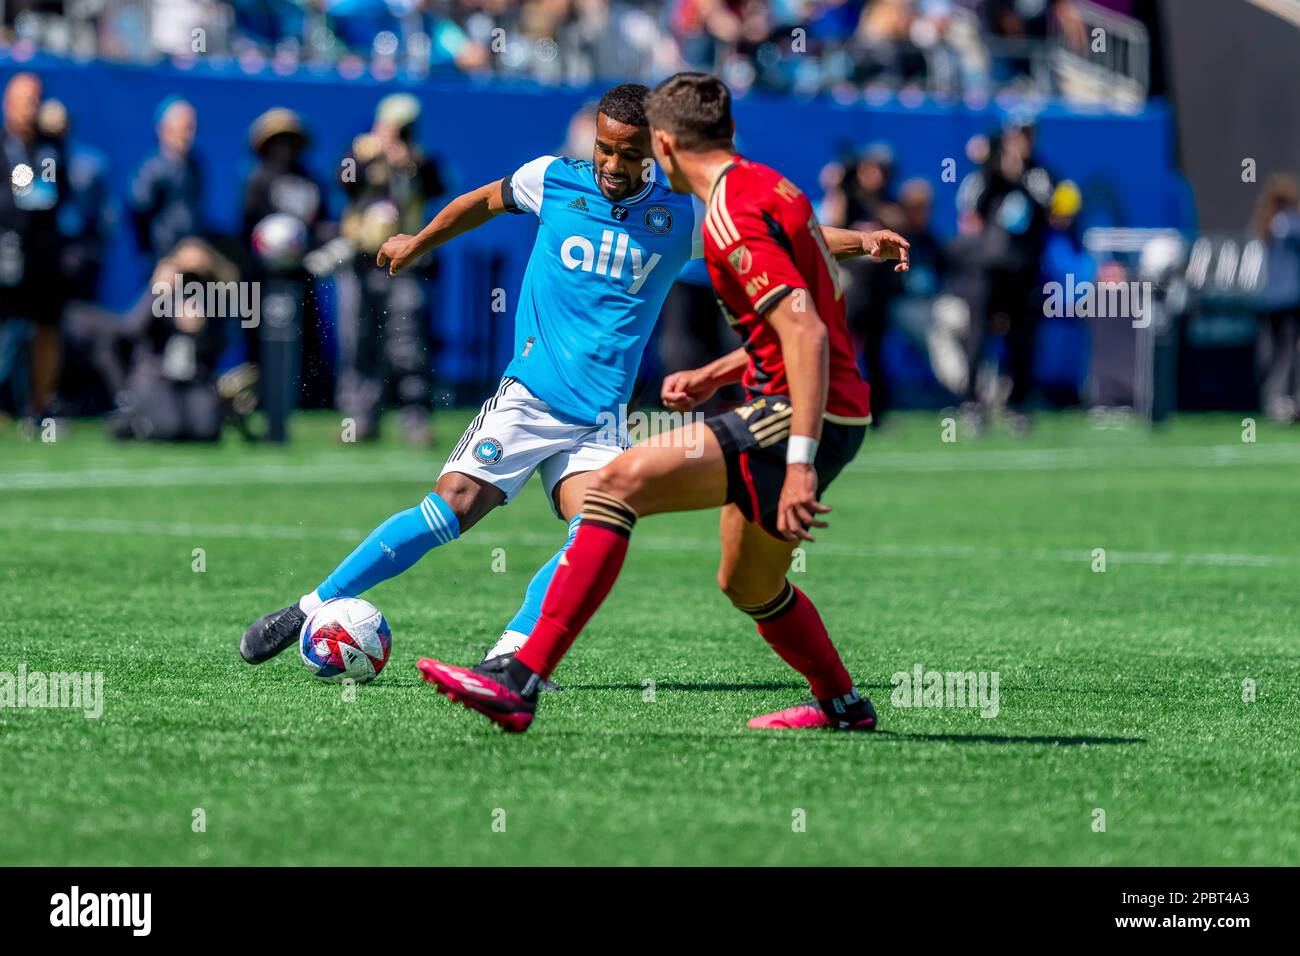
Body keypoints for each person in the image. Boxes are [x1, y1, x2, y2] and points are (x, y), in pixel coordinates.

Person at [238, 82, 900, 685]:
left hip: (601, 420)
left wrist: (861, 242)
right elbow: (482, 202)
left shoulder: (678, 219)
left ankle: (513, 655)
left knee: (593, 529)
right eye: (605, 149)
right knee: (451, 508)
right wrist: (420, 241)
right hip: (528, 398)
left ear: (657, 153)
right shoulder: (550, 180)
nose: (614, 165)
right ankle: (310, 608)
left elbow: (780, 237)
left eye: (631, 154)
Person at [415, 72, 909, 735]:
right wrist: (721, 371)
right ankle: (846, 707)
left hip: (794, 415)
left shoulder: (729, 217)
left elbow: (809, 333)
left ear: (667, 145)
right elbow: (814, 305)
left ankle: (518, 677)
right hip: (825, 408)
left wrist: (797, 465)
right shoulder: (768, 188)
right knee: (749, 584)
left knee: (614, 487)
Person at [336, 93, 446, 446]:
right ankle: (359, 419)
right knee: (359, 339)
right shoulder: (361, 152)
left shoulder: (419, 160)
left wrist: (407, 162)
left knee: (408, 340)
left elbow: (437, 185)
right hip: (364, 259)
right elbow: (345, 183)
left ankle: (415, 418)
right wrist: (375, 157)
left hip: (404, 261)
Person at [0, 72, 68, 425]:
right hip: (7, 249)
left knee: (46, 326)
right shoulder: (3, 145)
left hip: (42, 253)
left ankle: (42, 405)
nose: (30, 108)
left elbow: (59, 190)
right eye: (23, 101)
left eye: (34, 101)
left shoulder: (48, 148)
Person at [129, 98, 203, 262]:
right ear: (165, 129)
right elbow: (139, 210)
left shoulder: (195, 166)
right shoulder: (151, 170)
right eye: (184, 128)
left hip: (190, 254)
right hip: (161, 258)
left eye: (192, 128)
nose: (188, 135)